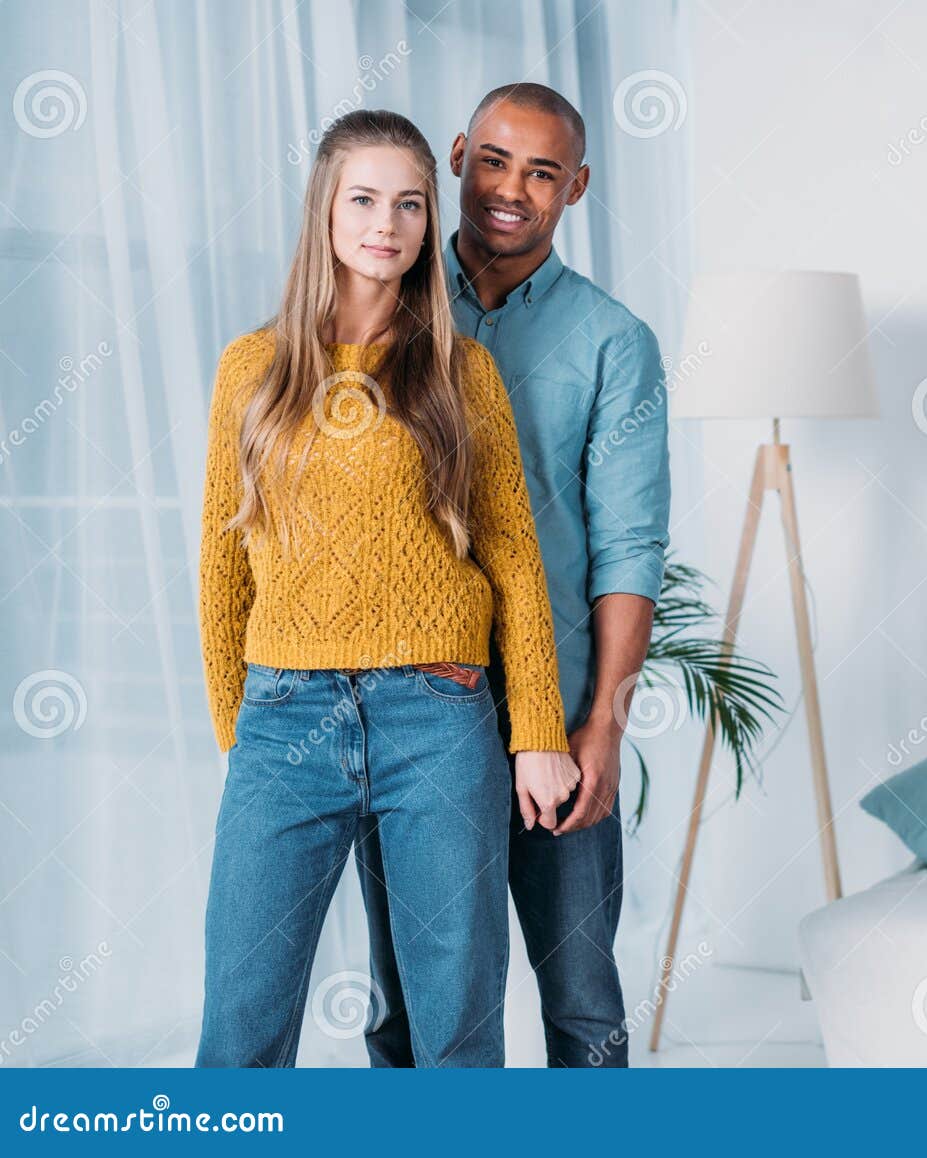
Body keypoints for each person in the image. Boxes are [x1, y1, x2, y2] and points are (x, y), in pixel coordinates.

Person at [195, 109, 579, 1068]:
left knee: (456, 1027)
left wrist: (535, 732)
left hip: (439, 716)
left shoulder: (461, 370)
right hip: (286, 717)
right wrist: (239, 726)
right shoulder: (252, 369)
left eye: (410, 204)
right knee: (242, 1023)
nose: (388, 223)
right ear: (325, 211)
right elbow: (220, 558)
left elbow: (514, 560)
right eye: (364, 199)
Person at [360, 83, 671, 1068]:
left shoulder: (612, 342)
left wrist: (601, 730)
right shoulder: (374, 310)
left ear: (574, 187)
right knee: (408, 1007)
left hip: (557, 719)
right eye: (495, 159)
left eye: (542, 171)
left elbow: (627, 550)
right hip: (404, 705)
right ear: (456, 157)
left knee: (580, 1001)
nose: (512, 188)